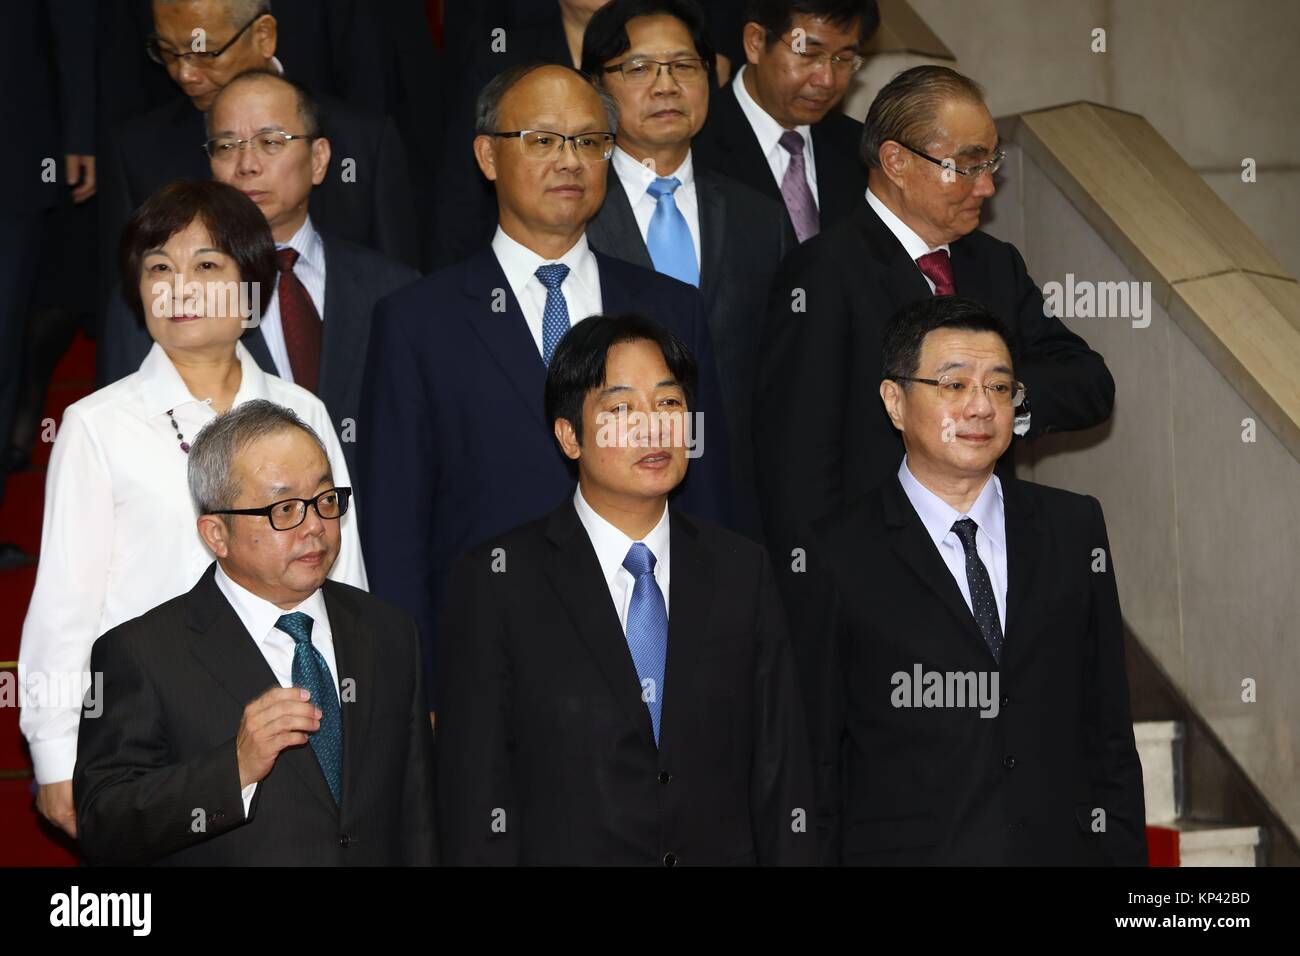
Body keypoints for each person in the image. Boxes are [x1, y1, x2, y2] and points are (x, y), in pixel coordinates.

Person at [359, 62, 733, 714]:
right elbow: (393, 527)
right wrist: (418, 691)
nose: (571, 161)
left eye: (590, 141)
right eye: (543, 140)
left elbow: (711, 491)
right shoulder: (417, 321)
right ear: (486, 155)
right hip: (489, 661)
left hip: (654, 642)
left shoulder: (670, 308)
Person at [18, 180, 366, 843]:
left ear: (251, 288)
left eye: (206, 265)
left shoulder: (304, 413)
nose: (178, 286)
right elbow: (65, 604)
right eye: (158, 268)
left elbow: (345, 577)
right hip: (153, 724)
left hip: (292, 710)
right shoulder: (98, 425)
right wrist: (56, 757)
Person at [437, 313, 814, 865]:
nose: (654, 427)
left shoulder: (741, 570)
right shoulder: (499, 580)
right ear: (570, 436)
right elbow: (476, 793)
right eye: (621, 409)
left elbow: (782, 774)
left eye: (668, 404)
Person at [793, 297, 1147, 865]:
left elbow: (1108, 734)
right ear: (894, 402)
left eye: (1001, 388)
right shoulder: (834, 553)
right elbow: (815, 762)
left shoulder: (1073, 527)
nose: (981, 408)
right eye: (954, 386)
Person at [756, 65, 1115, 588]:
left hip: (989, 555)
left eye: (991, 163)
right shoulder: (823, 273)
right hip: (878, 572)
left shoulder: (994, 264)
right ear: (896, 161)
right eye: (966, 166)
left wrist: (997, 398)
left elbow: (1089, 383)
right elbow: (797, 468)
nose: (988, 186)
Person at [74, 400, 434, 865]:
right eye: (284, 508)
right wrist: (234, 768)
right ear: (216, 534)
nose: (314, 527)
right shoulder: (141, 654)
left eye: (326, 501)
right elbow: (105, 825)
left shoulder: (388, 631)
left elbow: (417, 812)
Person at [97, 69, 421, 476]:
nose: (247, 165)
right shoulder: (161, 297)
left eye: (271, 142)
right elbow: (125, 448)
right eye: (226, 146)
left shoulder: (393, 289)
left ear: (319, 159)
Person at [583, 0, 795, 540]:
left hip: (739, 500)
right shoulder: (573, 212)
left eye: (683, 66)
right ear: (594, 85)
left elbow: (784, 373)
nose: (665, 85)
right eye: (638, 68)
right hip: (609, 492)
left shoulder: (760, 216)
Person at [96, 0, 419, 349]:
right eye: (168, 53)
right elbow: (126, 324)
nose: (185, 74)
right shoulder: (139, 153)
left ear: (264, 35)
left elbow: (400, 299)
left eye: (205, 52)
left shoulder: (363, 141)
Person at [693, 0, 878, 241]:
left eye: (842, 59)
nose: (826, 80)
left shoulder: (862, 151)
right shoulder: (693, 144)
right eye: (809, 54)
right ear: (755, 42)